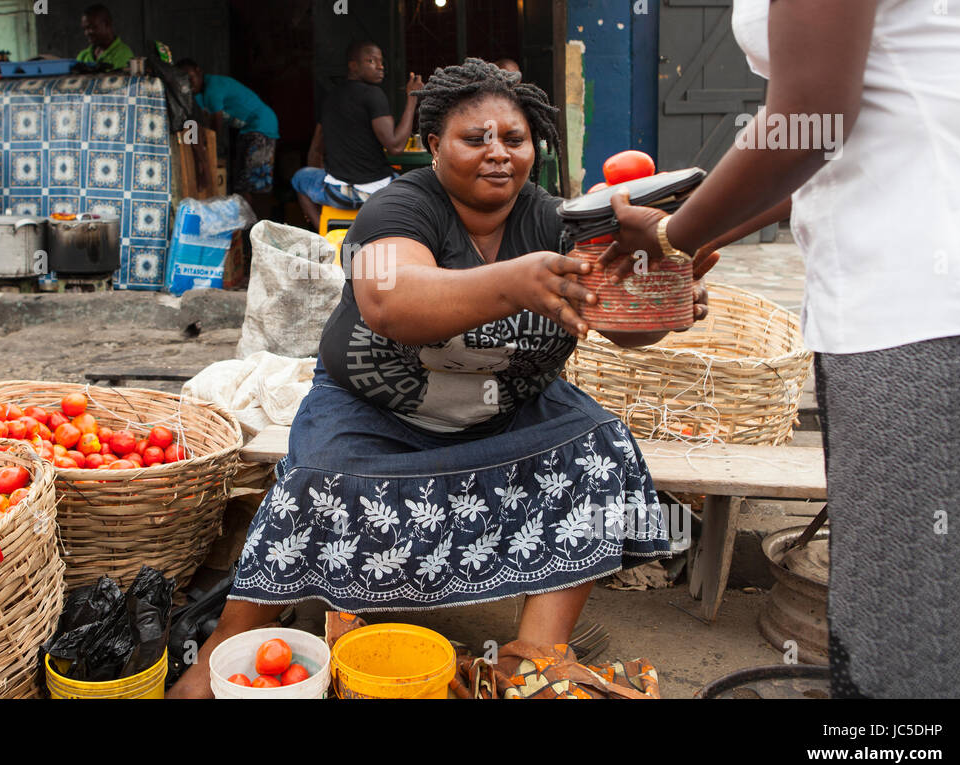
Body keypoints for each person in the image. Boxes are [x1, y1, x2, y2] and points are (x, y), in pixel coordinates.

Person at [167, 58, 714, 698]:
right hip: (376, 412)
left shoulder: (560, 221)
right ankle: (214, 662)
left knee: (600, 446)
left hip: (509, 410)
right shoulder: (396, 209)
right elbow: (389, 303)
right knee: (320, 481)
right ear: (432, 146)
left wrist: (665, 304)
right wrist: (513, 282)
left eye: (513, 139)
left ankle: (536, 654)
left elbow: (619, 325)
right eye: (473, 138)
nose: (497, 154)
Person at [600, 0, 960, 698]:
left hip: (929, 300)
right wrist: (702, 235)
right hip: (925, 290)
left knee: (914, 647)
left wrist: (664, 242)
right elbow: (835, 131)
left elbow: (813, 113)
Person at [291, 41, 423, 230]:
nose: (380, 67)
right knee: (415, 186)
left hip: (337, 193)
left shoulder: (330, 98)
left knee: (299, 178)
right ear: (353, 66)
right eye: (371, 61)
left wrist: (326, 181)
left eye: (381, 62)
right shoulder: (374, 95)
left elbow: (315, 150)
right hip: (377, 192)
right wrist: (412, 99)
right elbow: (395, 146)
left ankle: (322, 232)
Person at [175, 59, 280, 194]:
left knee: (253, 181)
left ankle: (256, 214)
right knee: (242, 180)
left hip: (262, 124)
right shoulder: (199, 95)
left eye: (191, 78)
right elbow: (207, 121)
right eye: (184, 80)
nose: (189, 83)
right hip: (248, 128)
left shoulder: (213, 88)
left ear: (198, 71)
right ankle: (248, 212)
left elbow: (215, 125)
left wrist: (208, 149)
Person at [76, 4, 134, 70]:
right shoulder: (83, 56)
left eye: (91, 27)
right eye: (85, 29)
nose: (86, 33)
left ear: (107, 24)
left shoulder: (123, 54)